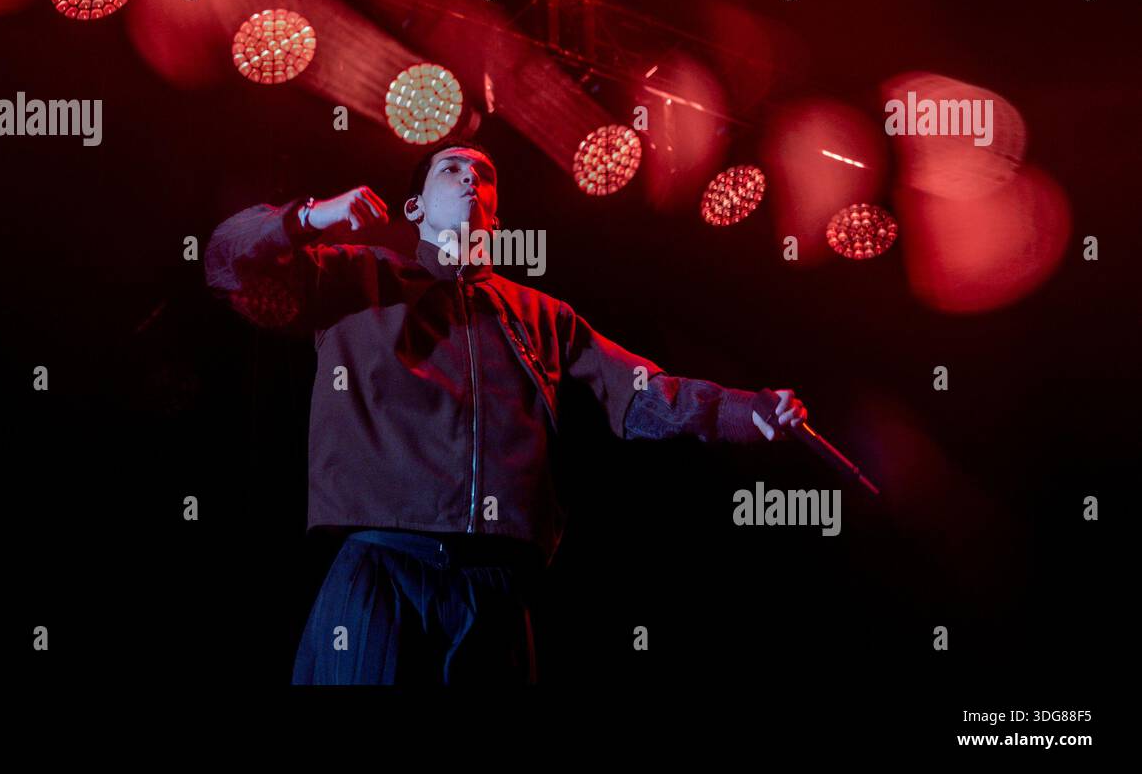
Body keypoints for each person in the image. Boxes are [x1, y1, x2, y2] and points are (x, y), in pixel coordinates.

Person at [204, 137, 807, 684]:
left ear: (496, 216)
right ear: (413, 208)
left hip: (494, 586)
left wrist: (745, 410)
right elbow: (226, 262)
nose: (470, 178)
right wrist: (311, 217)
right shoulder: (354, 275)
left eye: (483, 175)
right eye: (452, 168)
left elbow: (641, 394)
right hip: (383, 563)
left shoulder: (542, 314)